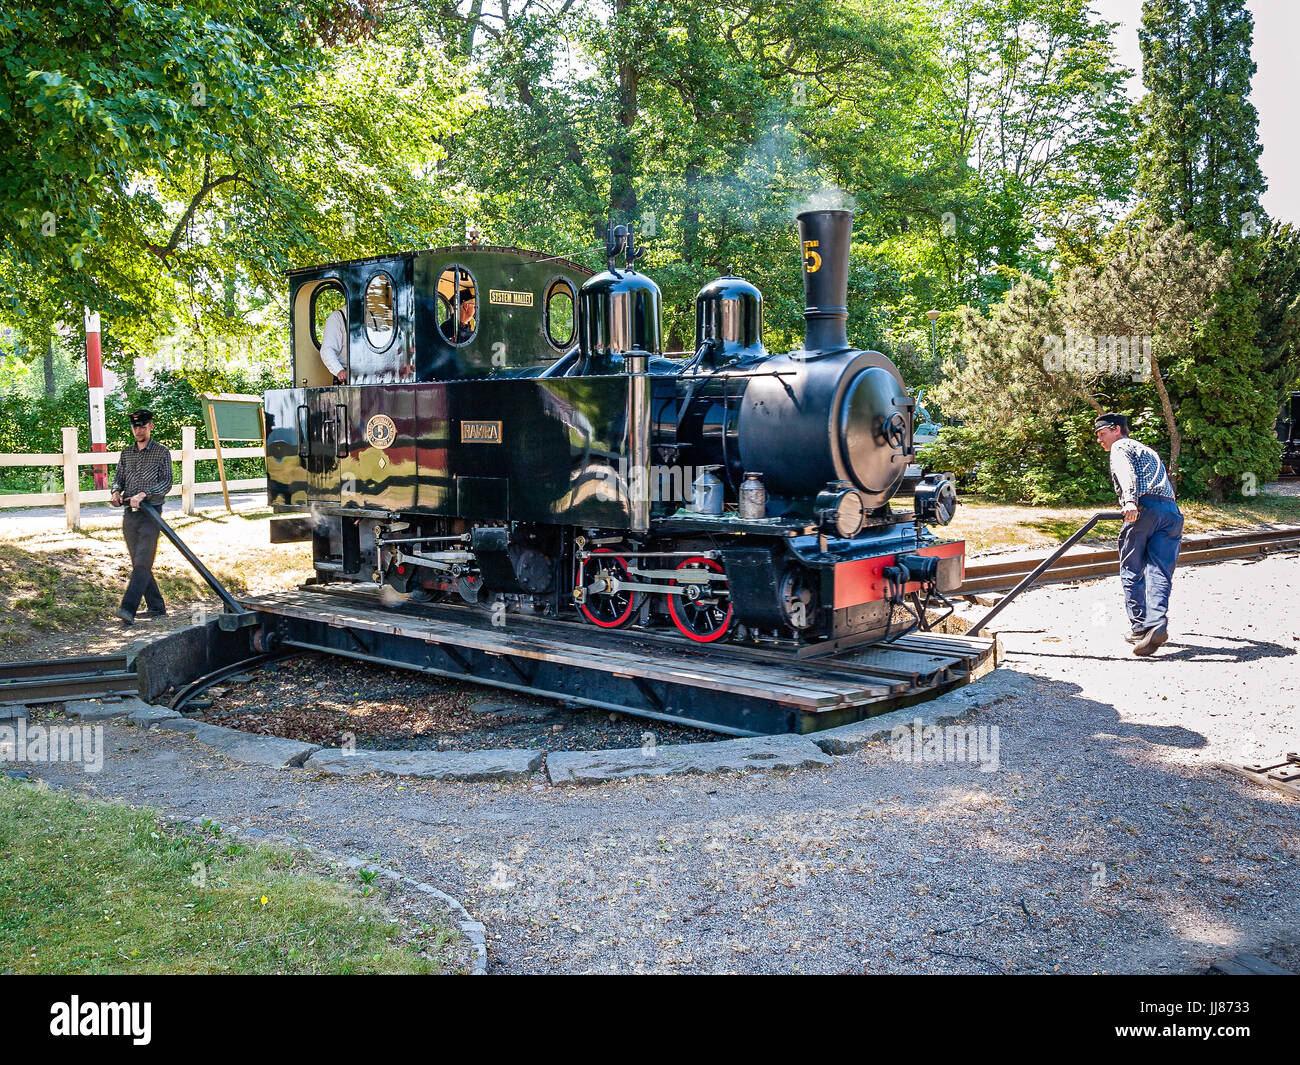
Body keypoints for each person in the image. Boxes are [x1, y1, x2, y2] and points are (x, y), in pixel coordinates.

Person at [1094, 412, 1183, 656]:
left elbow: (1125, 472)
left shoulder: (1121, 446)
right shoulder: (1149, 451)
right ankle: (1157, 623)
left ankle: (1139, 627)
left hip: (1144, 510)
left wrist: (1130, 501)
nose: (1100, 440)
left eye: (1102, 434)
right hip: (1170, 512)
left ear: (1116, 430)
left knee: (1131, 568)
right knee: (1159, 570)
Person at [109, 410, 174, 625]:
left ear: (151, 427)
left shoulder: (161, 452)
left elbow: (166, 483)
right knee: (138, 561)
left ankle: (128, 608)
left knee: (143, 561)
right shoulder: (126, 453)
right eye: (135, 427)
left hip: (151, 513)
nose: (138, 430)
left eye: (143, 426)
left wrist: (144, 494)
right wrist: (116, 492)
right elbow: (118, 478)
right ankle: (156, 606)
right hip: (130, 513)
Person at [319, 306, 349, 383]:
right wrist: (339, 370)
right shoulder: (337, 317)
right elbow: (327, 350)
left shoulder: (371, 316)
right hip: (346, 377)